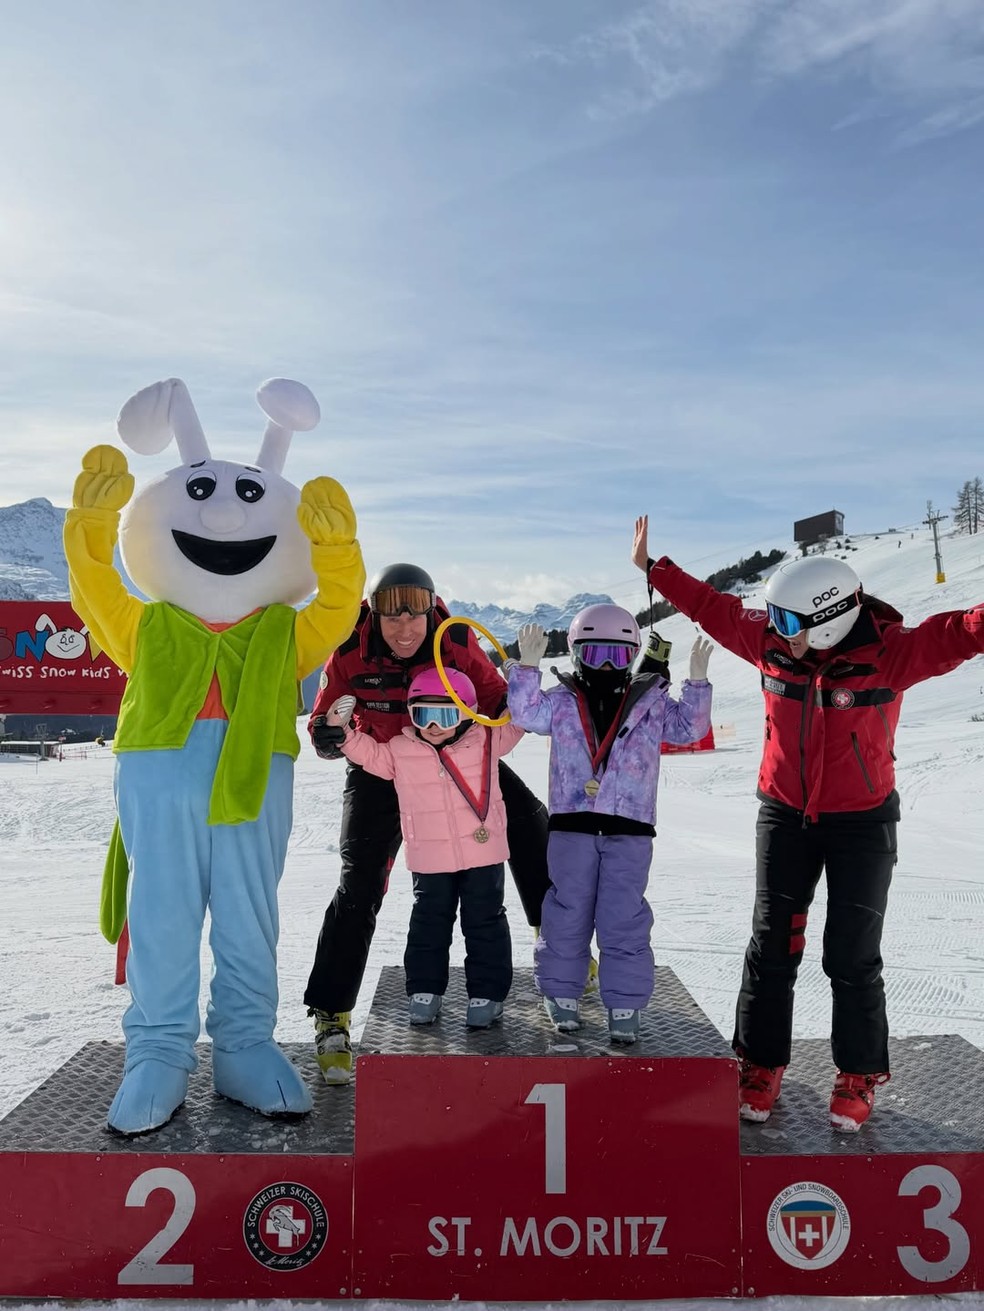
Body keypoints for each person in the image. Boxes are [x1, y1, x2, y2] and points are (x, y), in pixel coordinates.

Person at [632, 514, 984, 1131]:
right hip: (784, 815)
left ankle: (858, 1072)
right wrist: (654, 569)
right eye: (774, 617)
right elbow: (713, 608)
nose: (776, 631)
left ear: (831, 620)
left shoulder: (892, 654)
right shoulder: (772, 640)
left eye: (790, 622)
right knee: (772, 944)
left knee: (852, 954)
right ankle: (760, 1063)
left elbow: (960, 633)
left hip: (863, 824)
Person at [305, 563, 551, 1081]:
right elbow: (325, 716)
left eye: (413, 617)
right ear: (374, 615)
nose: (404, 630)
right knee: (360, 880)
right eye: (391, 619)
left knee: (529, 823)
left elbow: (496, 702)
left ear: (430, 611)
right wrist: (328, 737)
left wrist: (522, 688)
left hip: (456, 759)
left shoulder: (454, 639)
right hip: (383, 763)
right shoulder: (349, 647)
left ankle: (556, 941)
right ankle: (331, 1013)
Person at [506, 604, 712, 1044]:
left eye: (616, 655)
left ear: (633, 655)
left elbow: (689, 729)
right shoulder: (562, 700)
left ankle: (624, 1003)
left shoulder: (650, 701)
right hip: (572, 827)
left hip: (629, 828)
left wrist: (696, 683)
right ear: (576, 653)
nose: (604, 666)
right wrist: (527, 668)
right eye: (594, 653)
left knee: (624, 917)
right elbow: (525, 713)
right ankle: (562, 994)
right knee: (567, 913)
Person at [323, 667, 522, 1027]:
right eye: (422, 714)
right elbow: (370, 755)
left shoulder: (487, 739)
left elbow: (521, 718)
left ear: (467, 712)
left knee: (485, 923)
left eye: (443, 715)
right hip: (430, 860)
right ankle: (424, 990)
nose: (432, 726)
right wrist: (344, 732)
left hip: (483, 855)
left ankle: (488, 994)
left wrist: (526, 675)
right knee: (429, 923)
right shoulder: (401, 749)